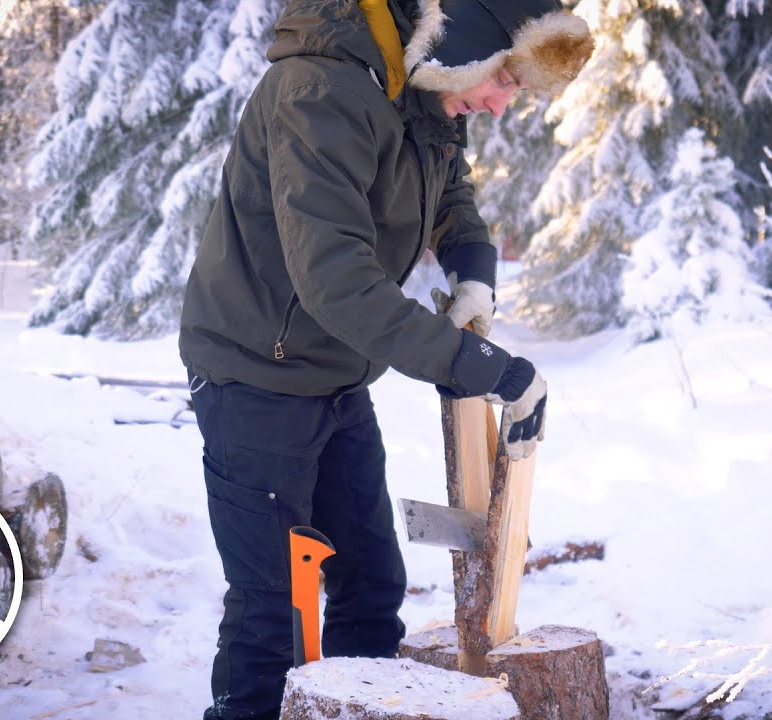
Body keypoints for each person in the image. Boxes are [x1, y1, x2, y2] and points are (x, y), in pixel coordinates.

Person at [178, 1, 592, 717]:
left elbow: (450, 192)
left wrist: (472, 273)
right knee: (273, 612)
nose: (497, 105)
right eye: (504, 81)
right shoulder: (322, 91)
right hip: (255, 376)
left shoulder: (418, 92)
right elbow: (337, 281)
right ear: (462, 52)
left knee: (370, 587)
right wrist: (482, 363)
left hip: (335, 376)